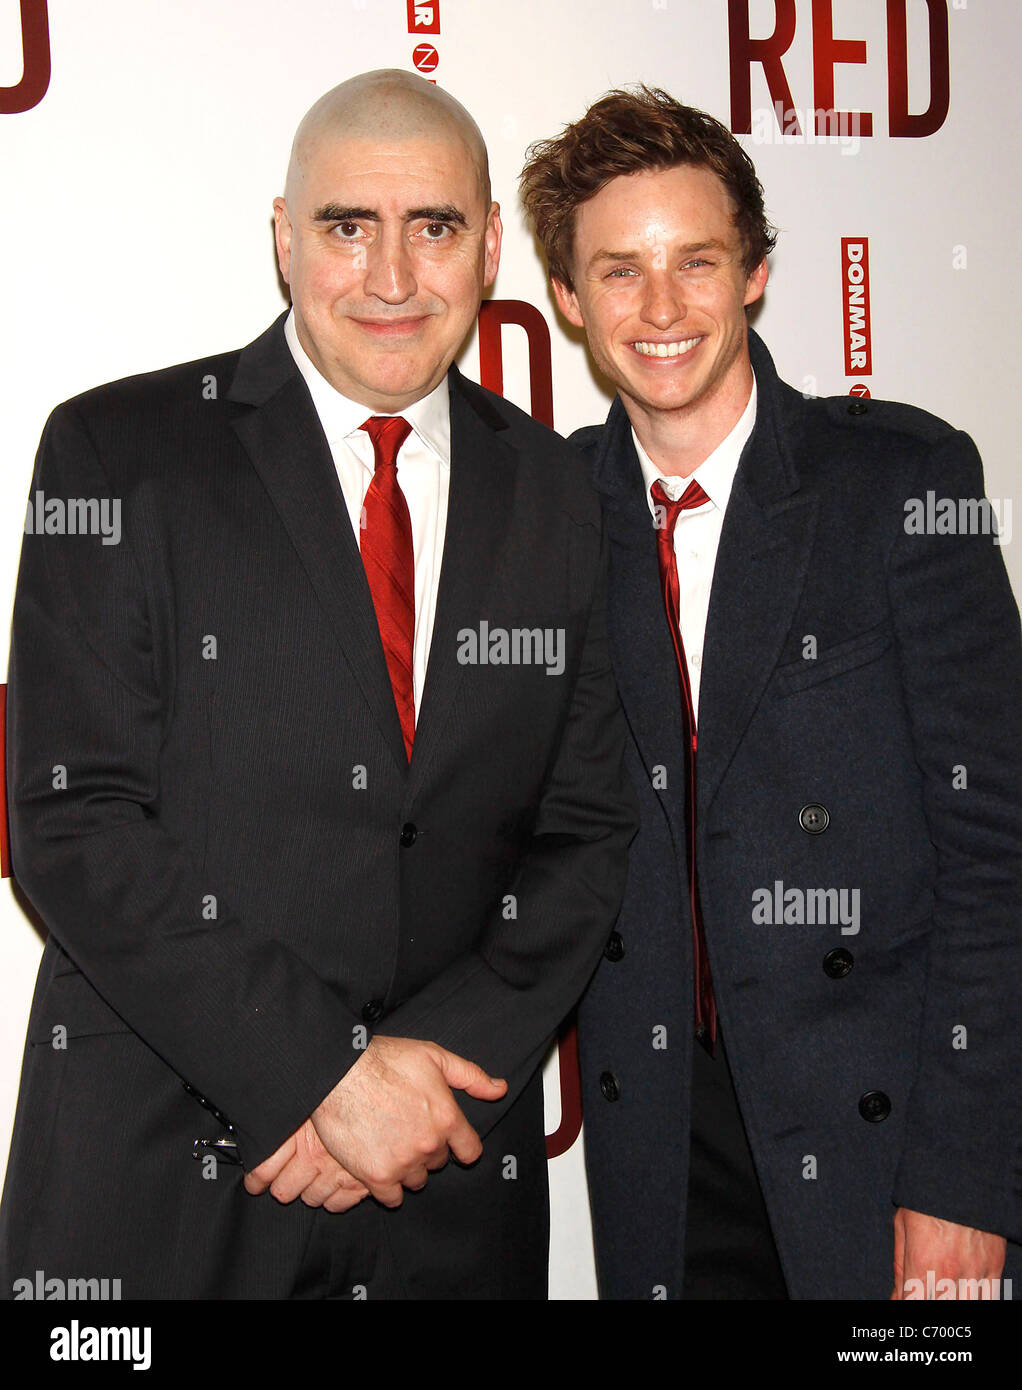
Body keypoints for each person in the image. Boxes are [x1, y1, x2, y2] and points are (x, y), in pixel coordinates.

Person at [0, 69, 636, 1300]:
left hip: (443, 1200)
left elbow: (586, 830)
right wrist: (325, 1079)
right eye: (349, 227)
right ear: (285, 240)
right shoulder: (120, 453)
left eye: (433, 228)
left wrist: (418, 1082)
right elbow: (73, 820)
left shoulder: (559, 495)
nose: (391, 278)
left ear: (490, 245)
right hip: (161, 1200)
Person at [520, 86, 1022, 1300]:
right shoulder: (540, 518)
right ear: (568, 302)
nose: (659, 309)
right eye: (619, 272)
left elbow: (998, 853)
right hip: (664, 1149)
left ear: (752, 271)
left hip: (887, 1133)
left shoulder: (898, 478)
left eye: (694, 261)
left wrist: (962, 1179)